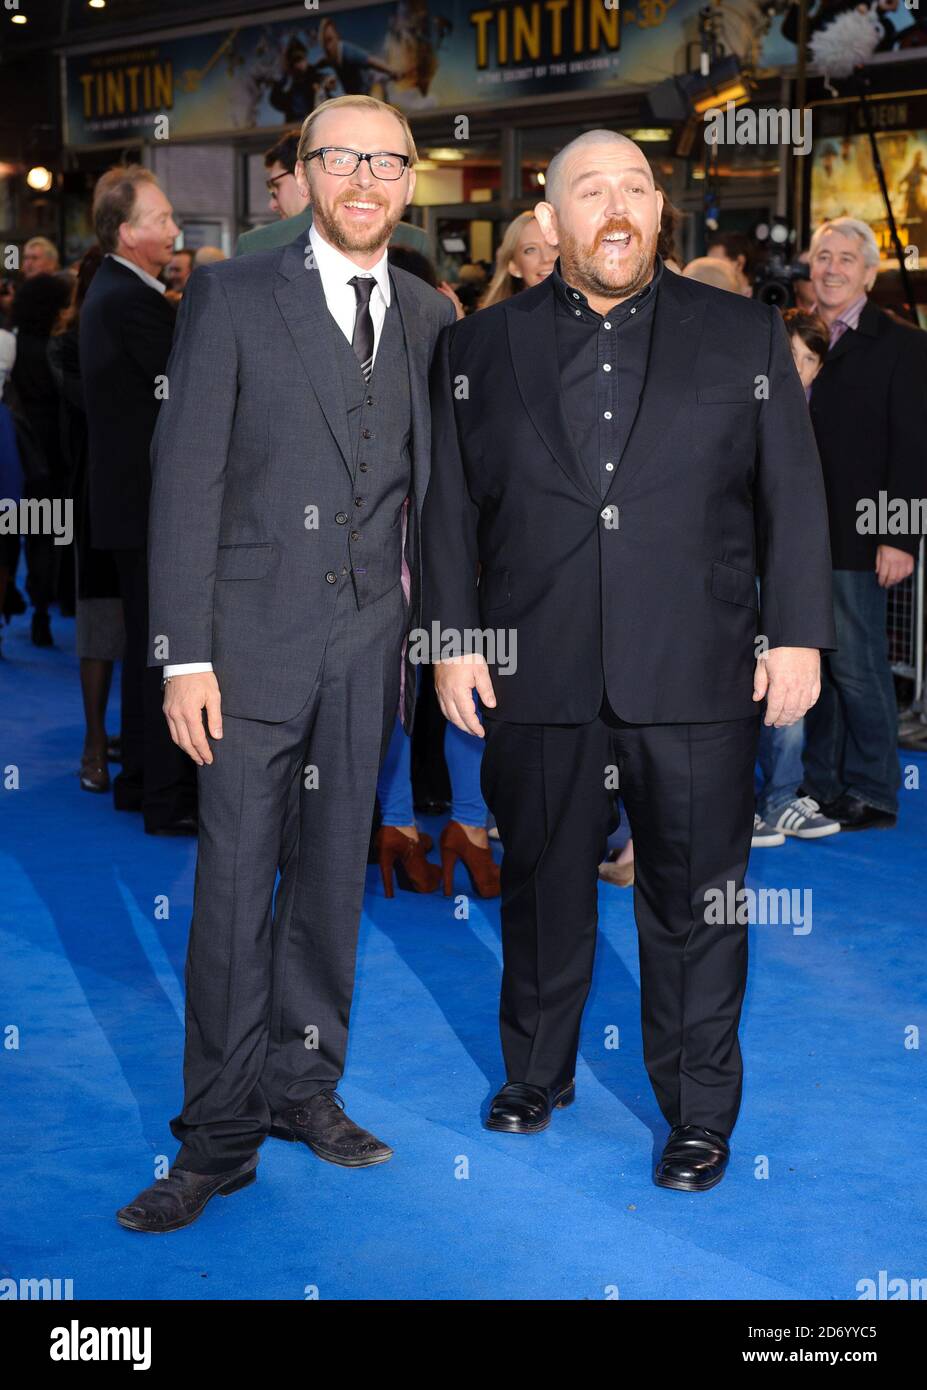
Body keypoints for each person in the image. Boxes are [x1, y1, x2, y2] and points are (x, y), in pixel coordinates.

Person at [423, 130, 835, 1193]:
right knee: (540, 883)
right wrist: (455, 642)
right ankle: (535, 1072)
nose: (617, 209)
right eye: (589, 191)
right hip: (535, 666)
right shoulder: (477, 348)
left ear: (661, 210)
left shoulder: (746, 335)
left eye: (636, 189)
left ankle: (699, 1112)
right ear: (548, 220)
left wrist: (796, 633)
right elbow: (448, 515)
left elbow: (793, 495)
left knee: (697, 903)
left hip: (697, 671)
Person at [116, 95, 456, 1234]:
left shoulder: (425, 309)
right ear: (304, 173)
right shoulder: (230, 294)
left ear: (413, 180)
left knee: (329, 888)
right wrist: (184, 655)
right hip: (247, 651)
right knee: (230, 893)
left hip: (370, 651)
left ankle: (302, 1085)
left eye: (388, 162)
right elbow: (186, 481)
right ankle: (215, 1136)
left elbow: (430, 500)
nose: (365, 181)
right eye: (341, 160)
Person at [79, 165, 196, 835]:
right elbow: (184, 394)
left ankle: (139, 782)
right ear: (127, 234)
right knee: (166, 653)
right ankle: (166, 799)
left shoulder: (120, 290)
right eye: (160, 220)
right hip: (148, 509)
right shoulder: (130, 300)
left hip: (130, 506)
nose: (174, 228)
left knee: (149, 648)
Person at [801, 216, 927, 831]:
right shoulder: (794, 335)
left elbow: (915, 446)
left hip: (859, 535)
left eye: (845, 259)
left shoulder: (903, 343)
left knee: (857, 665)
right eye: (822, 256)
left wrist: (900, 536)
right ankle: (820, 786)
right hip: (796, 535)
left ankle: (875, 790)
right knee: (814, 666)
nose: (830, 268)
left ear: (870, 275)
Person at [479, 211, 557, 309]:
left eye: (554, 246)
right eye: (530, 250)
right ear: (514, 267)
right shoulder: (495, 321)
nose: (546, 259)